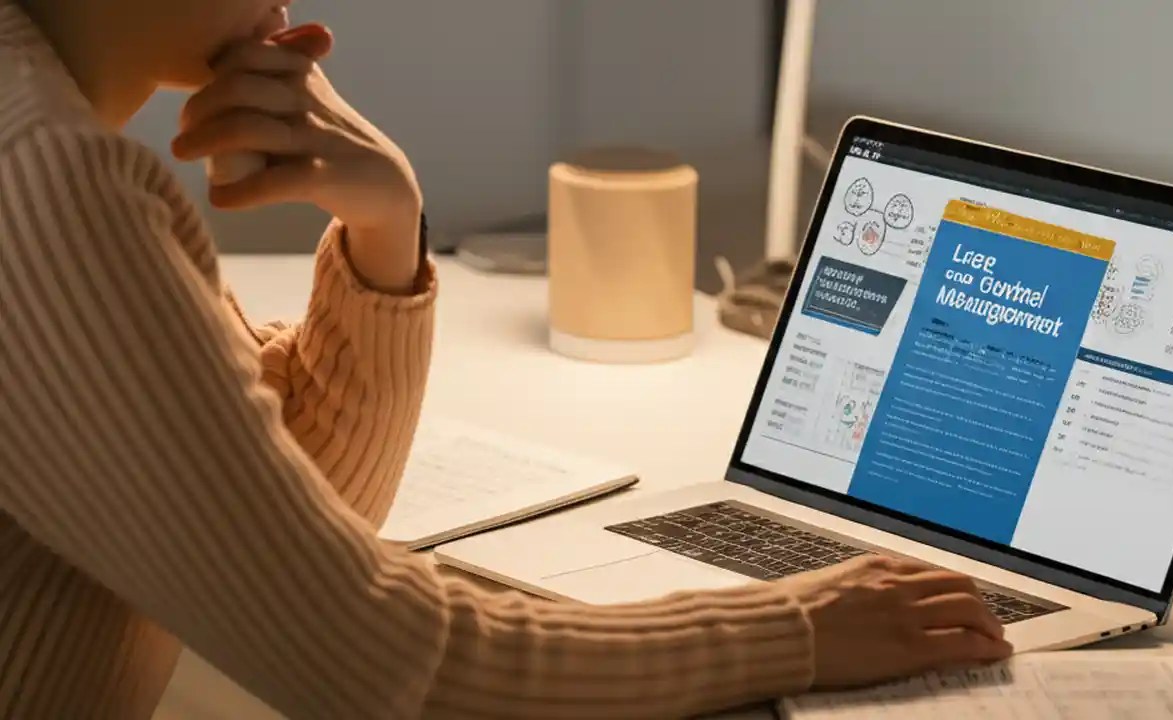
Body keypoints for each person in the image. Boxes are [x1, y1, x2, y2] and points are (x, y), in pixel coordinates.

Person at [0, 0, 1013, 717]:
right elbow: (381, 664)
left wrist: (383, 232)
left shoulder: (44, 131)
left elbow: (282, 529)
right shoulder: (48, 179)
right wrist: (795, 627)